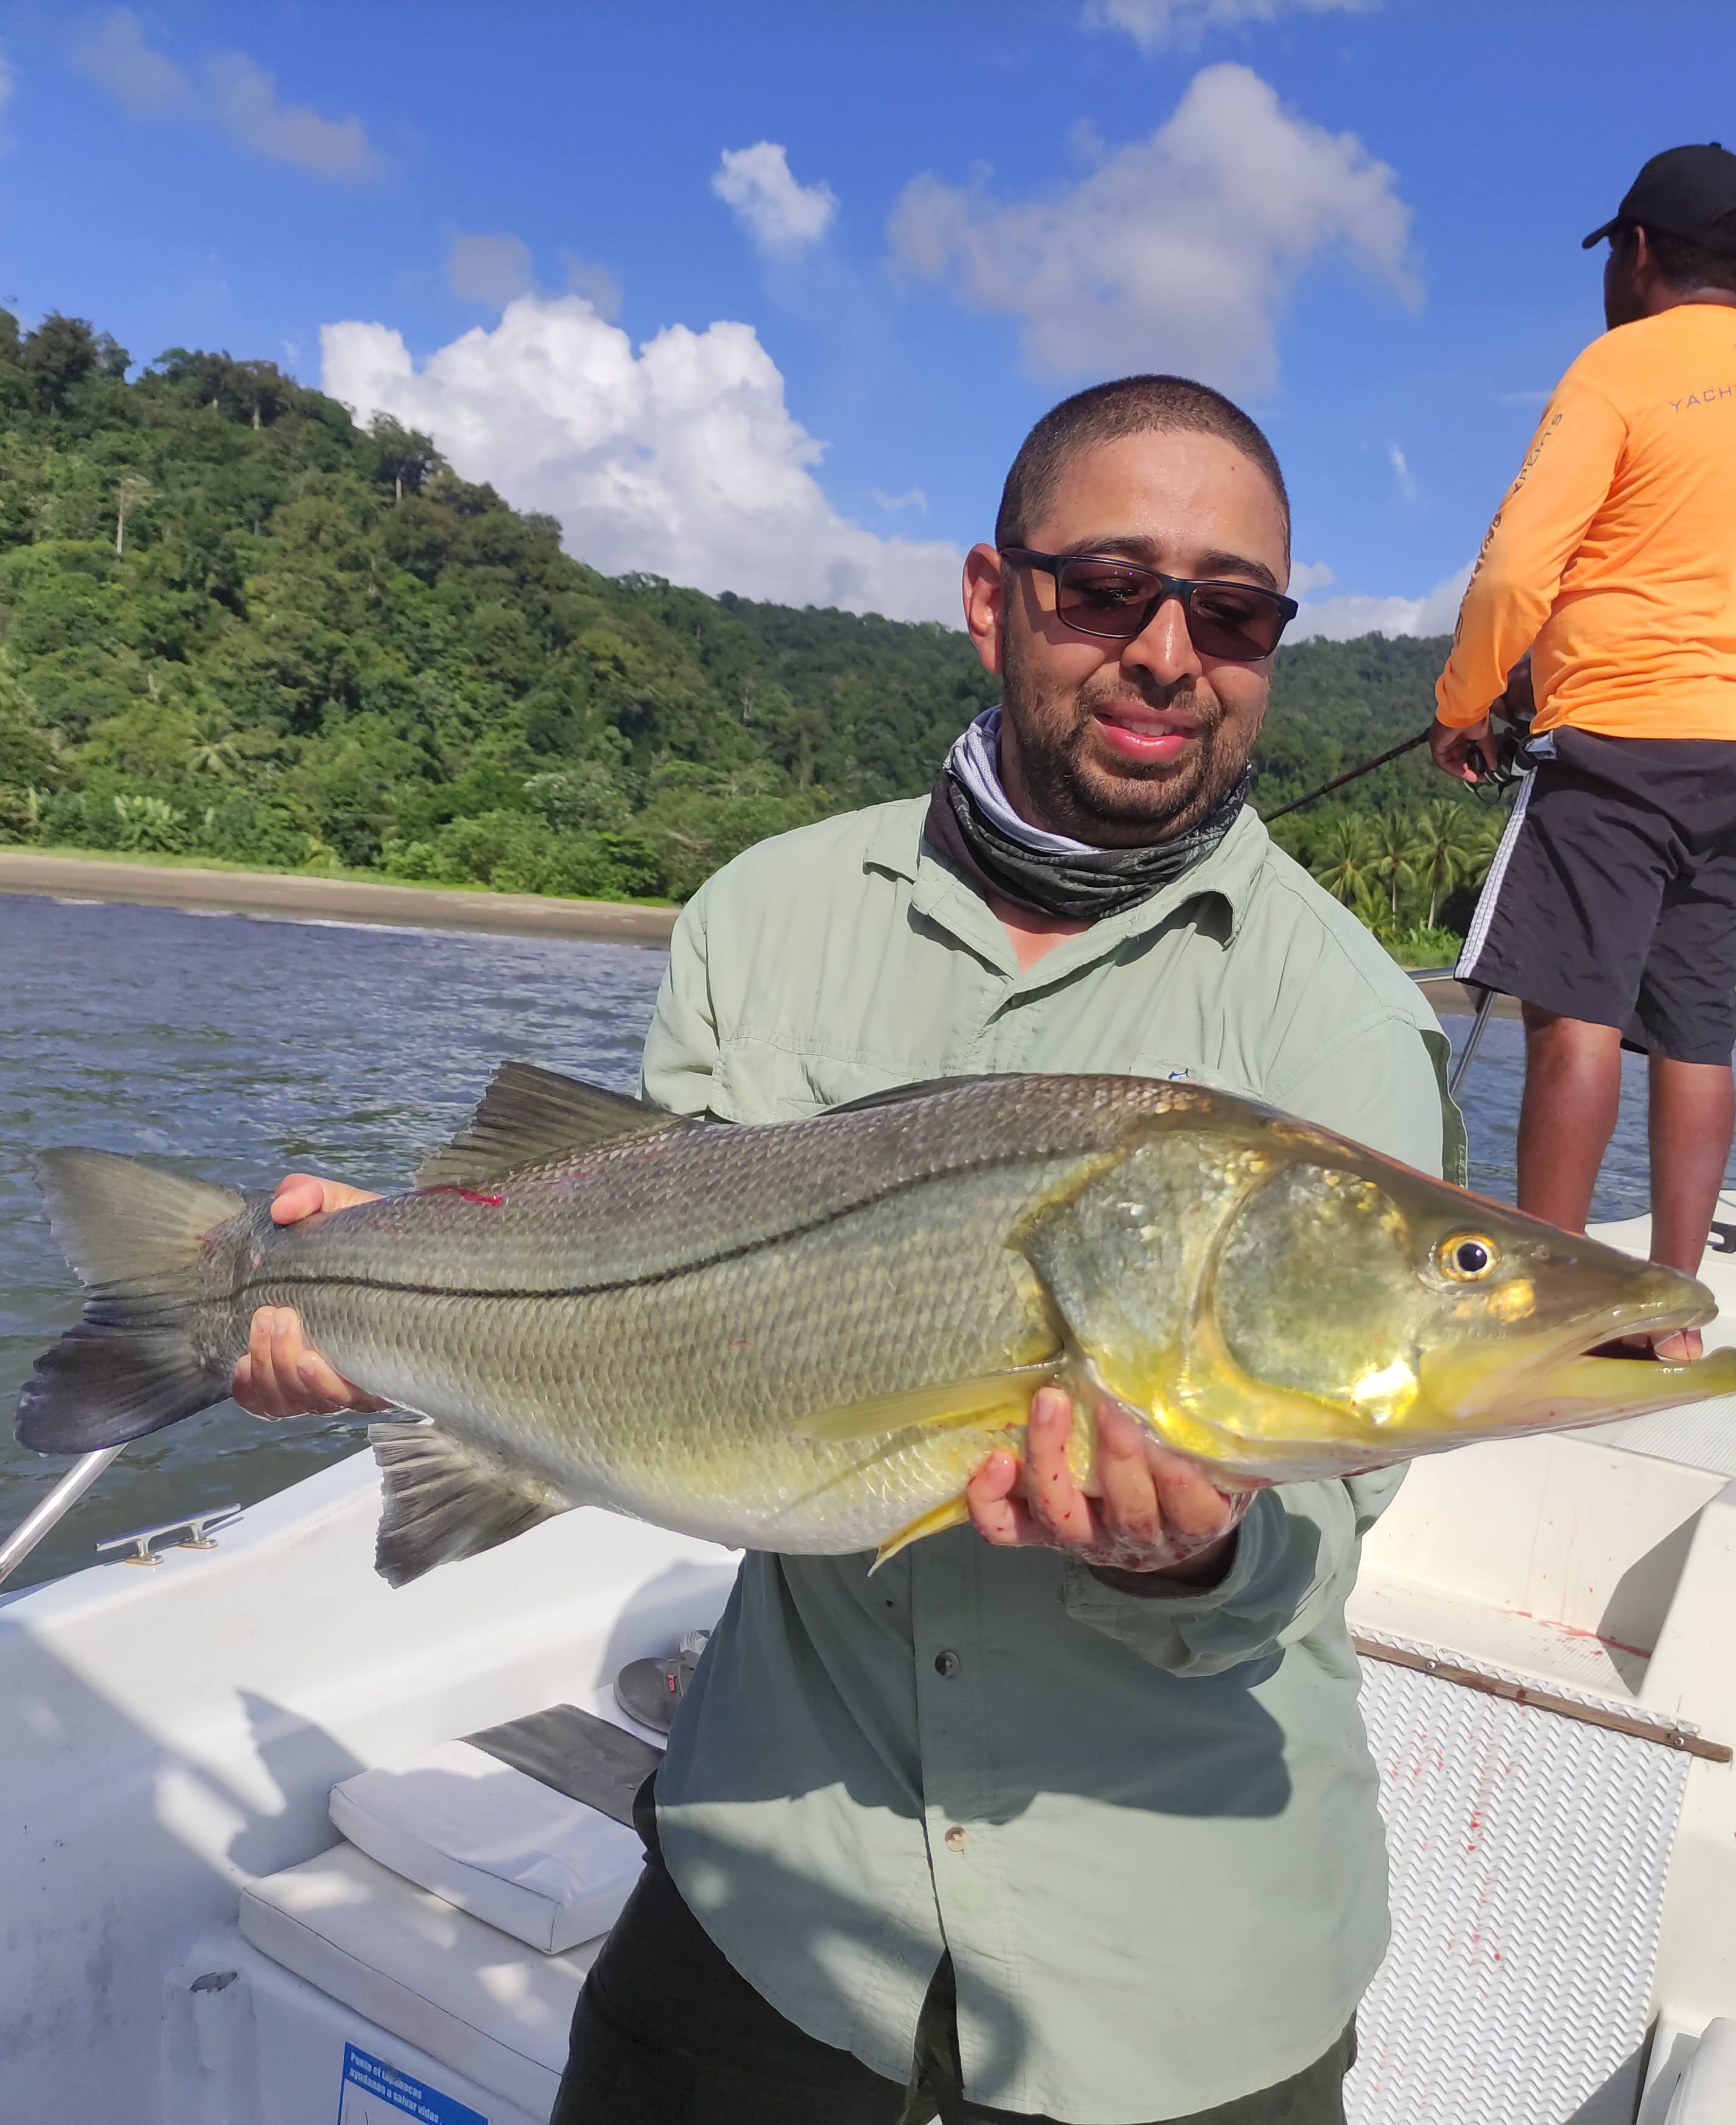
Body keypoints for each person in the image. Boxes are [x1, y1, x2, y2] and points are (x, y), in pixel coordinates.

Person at [233, 373, 1461, 2125]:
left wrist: (1194, 1559)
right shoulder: (765, 914)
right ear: (993, 598)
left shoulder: (1339, 1022)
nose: (1170, 651)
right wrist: (383, 1295)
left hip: (1174, 1975)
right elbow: (625, 1281)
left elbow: (1327, 1527)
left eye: (1234, 612)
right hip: (772, 1894)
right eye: (1109, 587)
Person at [1430, 143, 1736, 1350]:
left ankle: (1541, 1312)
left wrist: (1462, 701)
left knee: (1574, 1018)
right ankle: (1669, 1313)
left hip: (1617, 744)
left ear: (1636, 251)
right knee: (1695, 1032)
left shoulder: (1619, 365)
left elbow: (1515, 566)